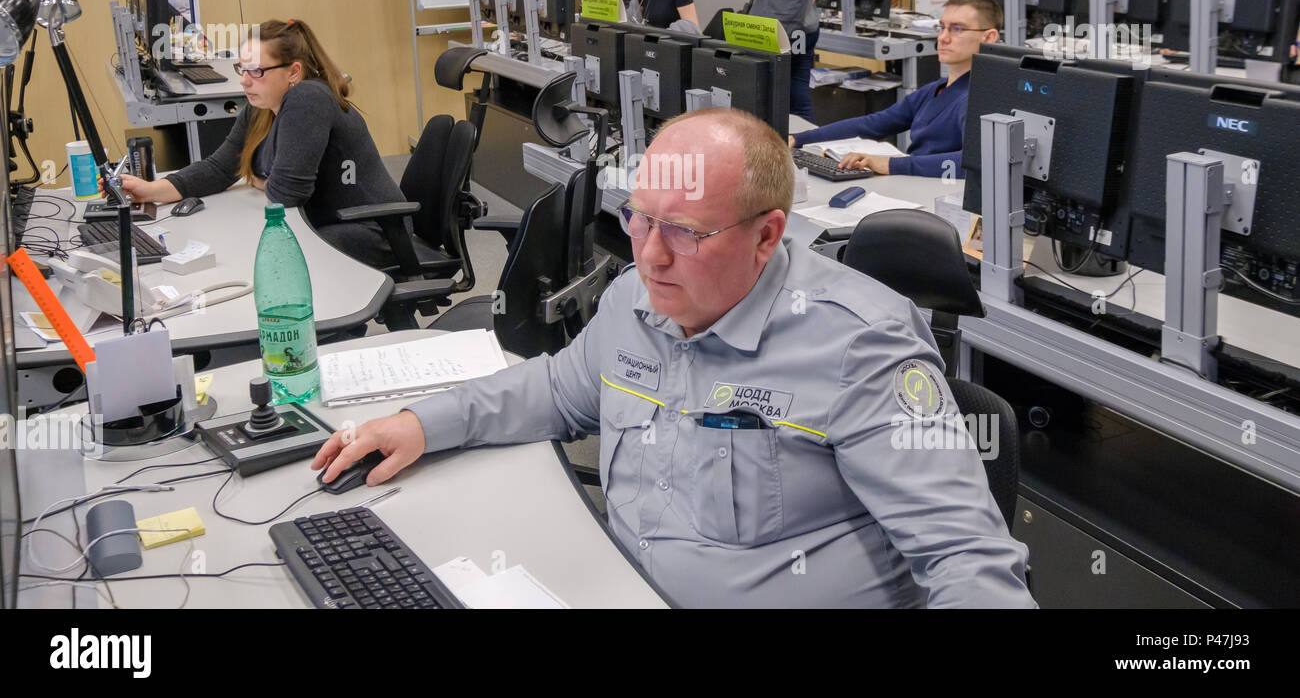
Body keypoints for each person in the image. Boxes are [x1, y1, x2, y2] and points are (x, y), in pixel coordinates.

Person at [313, 107, 1034, 609]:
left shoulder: (860, 347)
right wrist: (420, 423)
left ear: (766, 235)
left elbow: (968, 560)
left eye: (684, 232)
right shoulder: (637, 300)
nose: (648, 255)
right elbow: (554, 392)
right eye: (638, 218)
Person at [120, 19, 406, 267]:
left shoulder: (309, 98)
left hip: (372, 230)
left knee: (258, 258)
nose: (244, 81)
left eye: (256, 71)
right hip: (326, 221)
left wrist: (260, 182)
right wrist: (149, 191)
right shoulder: (263, 107)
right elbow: (220, 168)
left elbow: (286, 195)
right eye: (241, 69)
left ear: (293, 72)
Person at [789, 0, 1003, 178]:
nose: (943, 38)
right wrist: (798, 139)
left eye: (957, 29)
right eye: (942, 27)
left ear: (989, 37)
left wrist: (890, 164)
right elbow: (874, 124)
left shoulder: (979, 98)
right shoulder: (936, 89)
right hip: (916, 185)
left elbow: (973, 164)